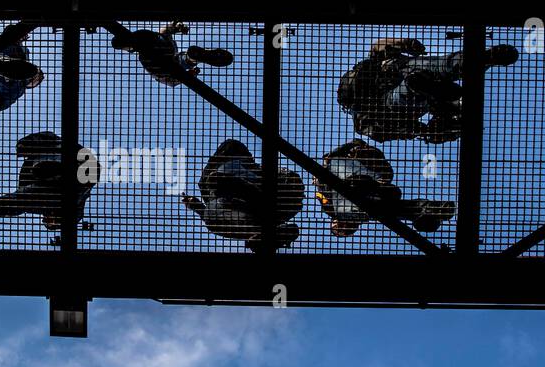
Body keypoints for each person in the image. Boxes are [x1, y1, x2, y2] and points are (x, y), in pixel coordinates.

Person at [337, 37, 519, 143]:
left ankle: (425, 88)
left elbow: (382, 133)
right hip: (402, 72)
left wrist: (420, 131)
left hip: (404, 96)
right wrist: (407, 43)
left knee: (406, 92)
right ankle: (482, 59)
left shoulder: (360, 116)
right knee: (438, 66)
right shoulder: (374, 65)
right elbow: (379, 45)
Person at [0, 131, 98, 231]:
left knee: (19, 201)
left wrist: (24, 147)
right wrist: (24, 146)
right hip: (64, 173)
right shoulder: (65, 207)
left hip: (56, 174)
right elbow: (76, 216)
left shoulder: (42, 205)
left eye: (47, 222)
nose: (48, 220)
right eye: (51, 223)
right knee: (83, 178)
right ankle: (59, 171)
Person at [180, 139, 304, 252]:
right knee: (213, 208)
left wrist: (197, 206)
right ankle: (268, 232)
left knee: (212, 208)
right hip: (265, 208)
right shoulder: (214, 194)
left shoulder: (212, 192)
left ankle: (267, 231)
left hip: (266, 203)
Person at [314, 139, 455, 236]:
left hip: (368, 185)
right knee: (398, 209)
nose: (342, 227)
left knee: (393, 207)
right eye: (344, 230)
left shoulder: (331, 200)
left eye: (338, 227)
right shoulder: (360, 214)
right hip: (377, 193)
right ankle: (434, 210)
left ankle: (432, 211)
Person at [107, 21, 234, 87]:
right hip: (165, 52)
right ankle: (192, 58)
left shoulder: (144, 51)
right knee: (177, 62)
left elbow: (166, 79)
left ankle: (192, 59)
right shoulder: (145, 36)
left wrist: (189, 76)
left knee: (172, 68)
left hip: (160, 63)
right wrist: (176, 27)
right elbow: (164, 32)